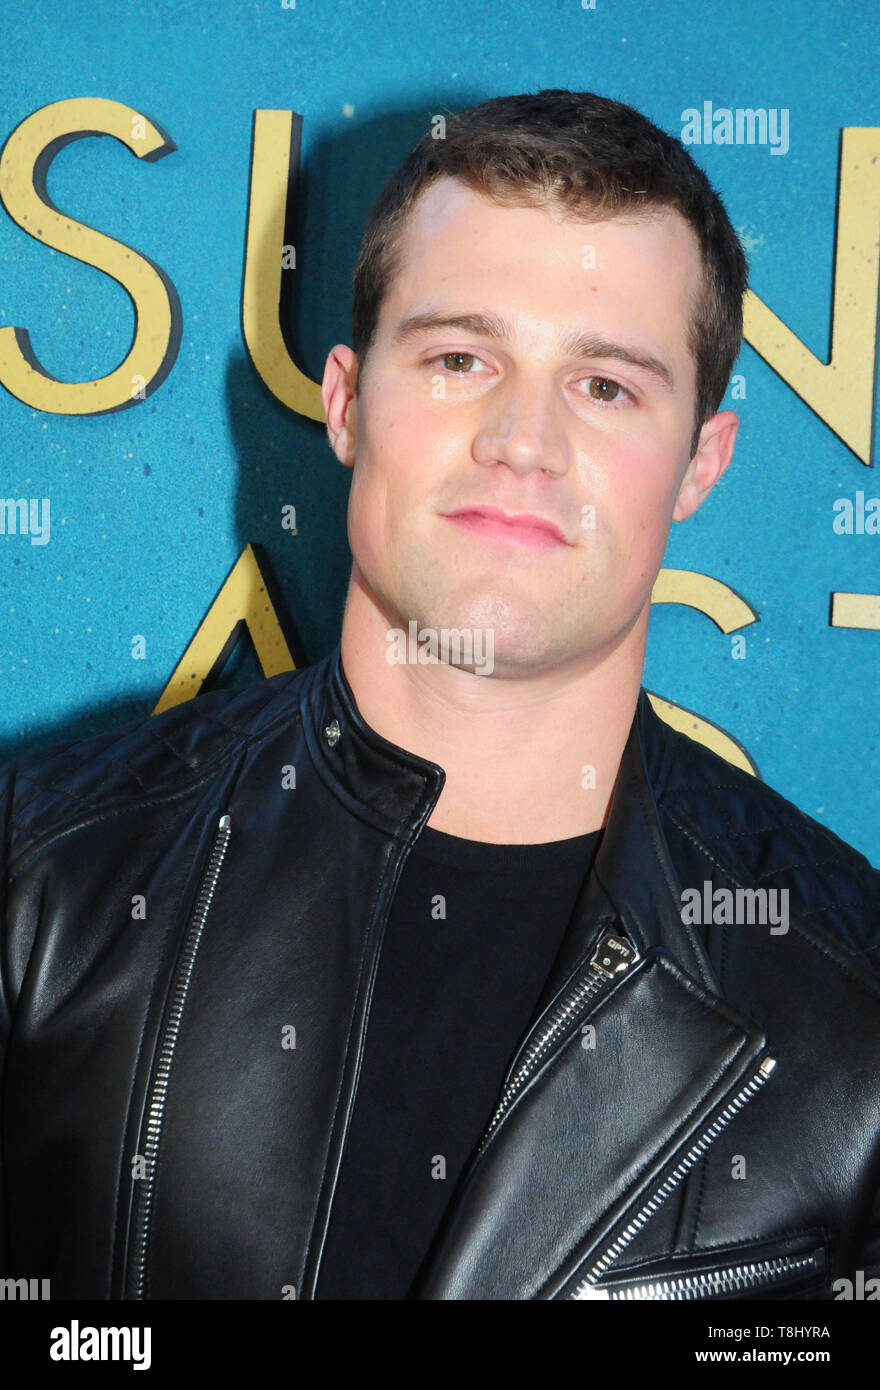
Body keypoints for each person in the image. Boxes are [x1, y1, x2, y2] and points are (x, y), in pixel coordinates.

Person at [1, 89, 878, 1302]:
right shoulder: (39, 872)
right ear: (348, 404)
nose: (523, 438)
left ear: (700, 465)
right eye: (463, 357)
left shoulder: (852, 1011)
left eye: (606, 386)